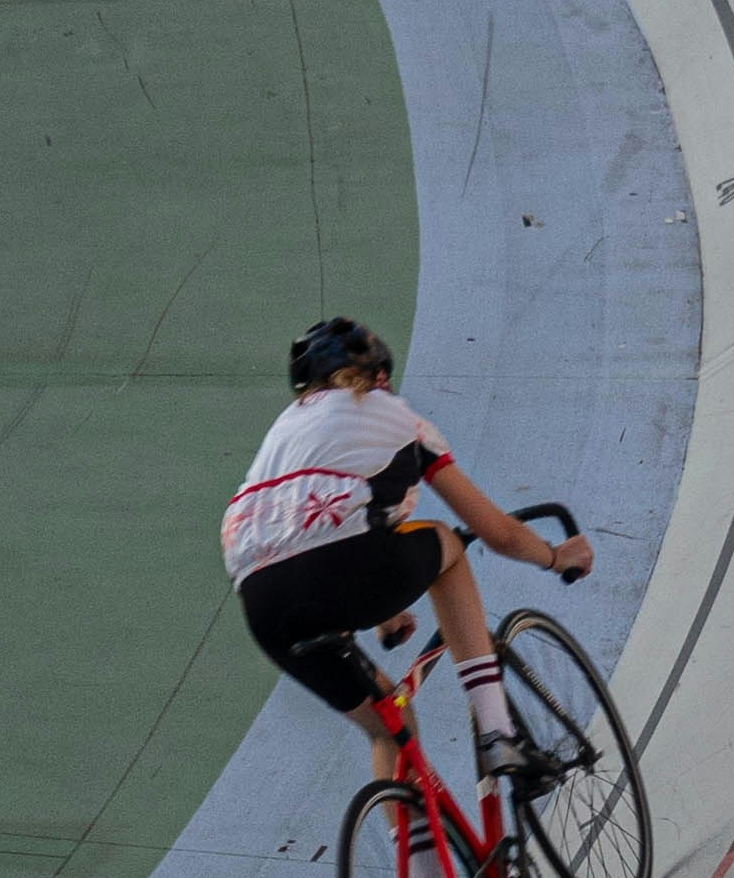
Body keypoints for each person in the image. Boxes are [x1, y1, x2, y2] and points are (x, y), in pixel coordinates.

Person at [223, 315, 593, 784]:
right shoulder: (396, 417)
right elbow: (498, 534)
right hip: (346, 570)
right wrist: (558, 556)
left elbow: (316, 528)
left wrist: (382, 611)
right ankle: (499, 736)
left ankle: (420, 860)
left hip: (262, 602)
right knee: (449, 546)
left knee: (388, 731)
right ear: (380, 376)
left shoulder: (283, 434)